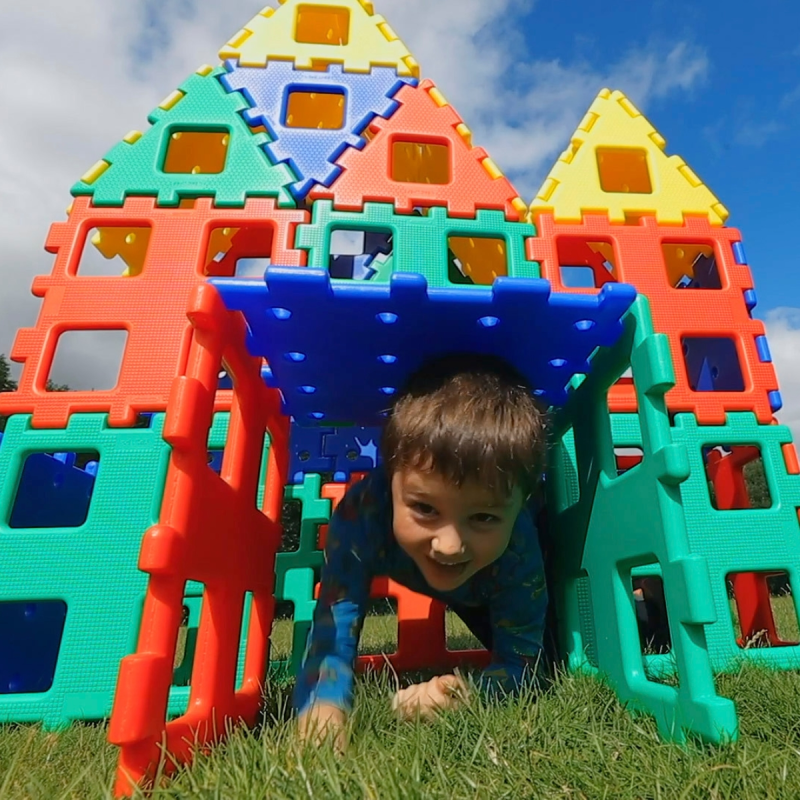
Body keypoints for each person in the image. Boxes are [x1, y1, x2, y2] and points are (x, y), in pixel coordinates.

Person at [293, 352, 551, 749]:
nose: (449, 544)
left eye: (483, 517)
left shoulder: (517, 547)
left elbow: (524, 666)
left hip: (497, 584)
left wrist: (468, 694)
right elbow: (335, 621)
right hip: (477, 575)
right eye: (425, 509)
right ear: (390, 476)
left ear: (520, 505)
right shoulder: (363, 516)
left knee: (561, 650)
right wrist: (323, 710)